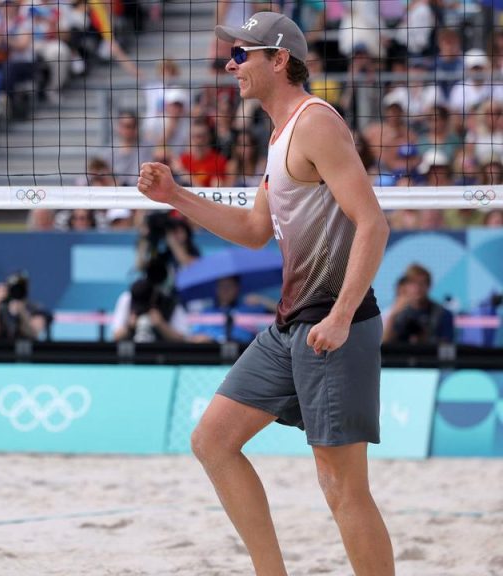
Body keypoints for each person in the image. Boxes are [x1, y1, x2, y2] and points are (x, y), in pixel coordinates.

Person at [138, 12, 394, 575]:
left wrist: (343, 316)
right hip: (291, 325)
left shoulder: (315, 123)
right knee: (213, 440)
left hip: (332, 322)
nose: (230, 65)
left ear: (279, 59)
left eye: (241, 55)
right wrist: (178, 197)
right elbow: (255, 232)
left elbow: (373, 224)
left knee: (341, 486)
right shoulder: (279, 135)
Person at [383, 264, 455, 345]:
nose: (417, 288)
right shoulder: (398, 314)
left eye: (422, 283)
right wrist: (393, 315)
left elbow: (446, 349)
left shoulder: (443, 314)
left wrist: (425, 338)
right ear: (405, 286)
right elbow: (385, 344)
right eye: (413, 283)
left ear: (429, 286)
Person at [0, 271, 48, 341]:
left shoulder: (35, 309)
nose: (17, 291)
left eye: (20, 287)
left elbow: (35, 335)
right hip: (2, 350)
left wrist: (22, 312)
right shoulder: (1, 308)